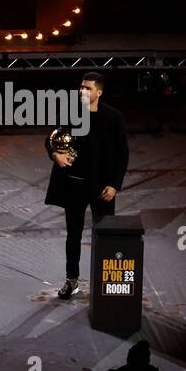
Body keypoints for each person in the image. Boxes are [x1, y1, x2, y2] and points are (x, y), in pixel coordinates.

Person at [44, 72, 129, 300]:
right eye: (81, 88)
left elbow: (122, 154)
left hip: (102, 189)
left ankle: (105, 283)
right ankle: (72, 281)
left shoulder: (113, 117)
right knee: (73, 236)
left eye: (87, 88)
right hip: (74, 187)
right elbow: (52, 138)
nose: (82, 92)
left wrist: (114, 185)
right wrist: (55, 155)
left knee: (105, 236)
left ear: (98, 92)